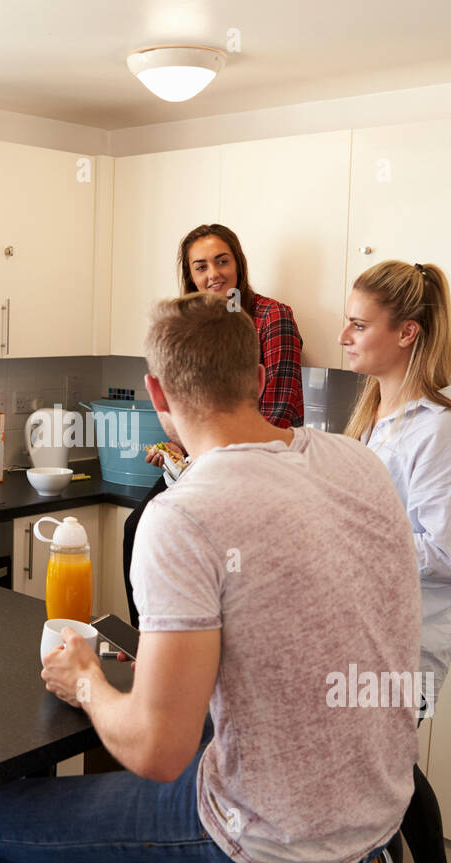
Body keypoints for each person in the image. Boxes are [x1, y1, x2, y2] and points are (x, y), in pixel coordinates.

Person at [0, 292, 422, 863]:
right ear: (255, 376)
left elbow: (159, 751)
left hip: (268, 840)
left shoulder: (183, 515)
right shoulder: (358, 462)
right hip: (380, 816)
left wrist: (84, 682)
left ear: (156, 393)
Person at [340, 261, 451, 863]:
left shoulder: (441, 432)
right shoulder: (375, 414)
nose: (345, 336)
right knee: (386, 777)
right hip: (366, 635)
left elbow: (447, 556)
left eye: (358, 325)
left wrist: (348, 537)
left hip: (406, 645)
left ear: (407, 333)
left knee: (387, 779)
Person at [122, 223, 305, 627]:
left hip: (259, 467)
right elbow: (190, 411)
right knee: (138, 526)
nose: (213, 274)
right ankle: (148, 642)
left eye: (222, 261)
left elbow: (276, 412)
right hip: (201, 463)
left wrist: (205, 458)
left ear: (238, 265)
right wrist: (178, 455)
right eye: (200, 266)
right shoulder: (190, 329)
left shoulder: (272, 318)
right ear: (190, 276)